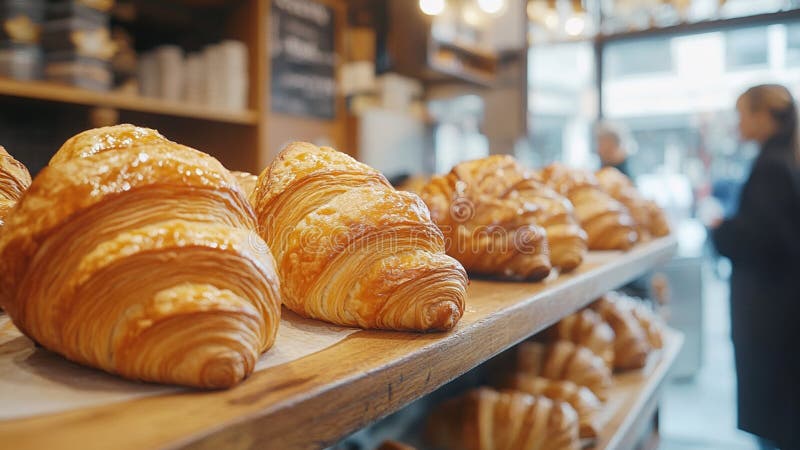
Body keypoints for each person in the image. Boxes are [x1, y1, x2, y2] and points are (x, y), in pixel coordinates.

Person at [711, 84, 800, 450]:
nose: (738, 123)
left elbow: (764, 240)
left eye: (742, 114)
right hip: (783, 307)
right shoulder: (785, 158)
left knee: (776, 424)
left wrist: (721, 229)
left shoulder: (772, 165)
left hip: (771, 312)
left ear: (764, 117)